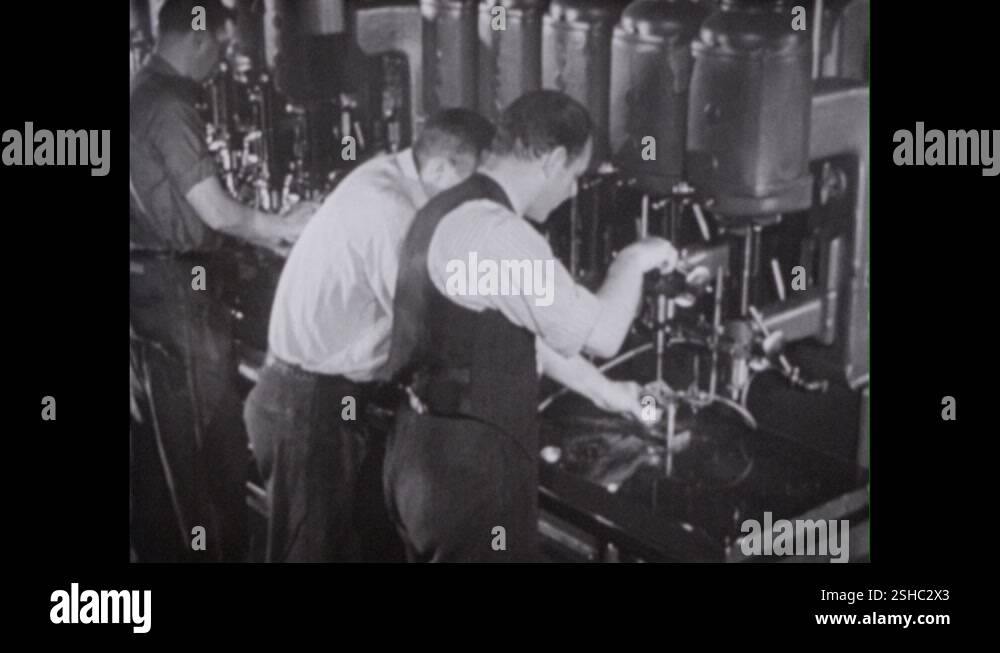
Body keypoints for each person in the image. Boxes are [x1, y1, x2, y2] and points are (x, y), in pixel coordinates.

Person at [383, 90, 679, 562]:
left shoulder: (449, 210)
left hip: (420, 458)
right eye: (576, 176)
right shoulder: (498, 234)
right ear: (554, 159)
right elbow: (602, 334)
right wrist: (634, 259)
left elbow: (524, 340)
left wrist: (611, 395)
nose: (574, 191)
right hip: (469, 474)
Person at [244, 109, 496, 562]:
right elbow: (428, 325)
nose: (478, 203)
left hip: (312, 397)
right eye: (476, 186)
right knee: (310, 554)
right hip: (307, 406)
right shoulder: (392, 209)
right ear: (442, 169)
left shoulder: (383, 175)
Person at [129, 0, 317, 561]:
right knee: (210, 455)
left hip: (151, 287)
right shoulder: (167, 103)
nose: (224, 60)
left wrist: (267, 235)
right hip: (178, 291)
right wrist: (285, 227)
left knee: (170, 456)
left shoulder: (140, 91)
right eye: (224, 46)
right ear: (198, 38)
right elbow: (215, 211)